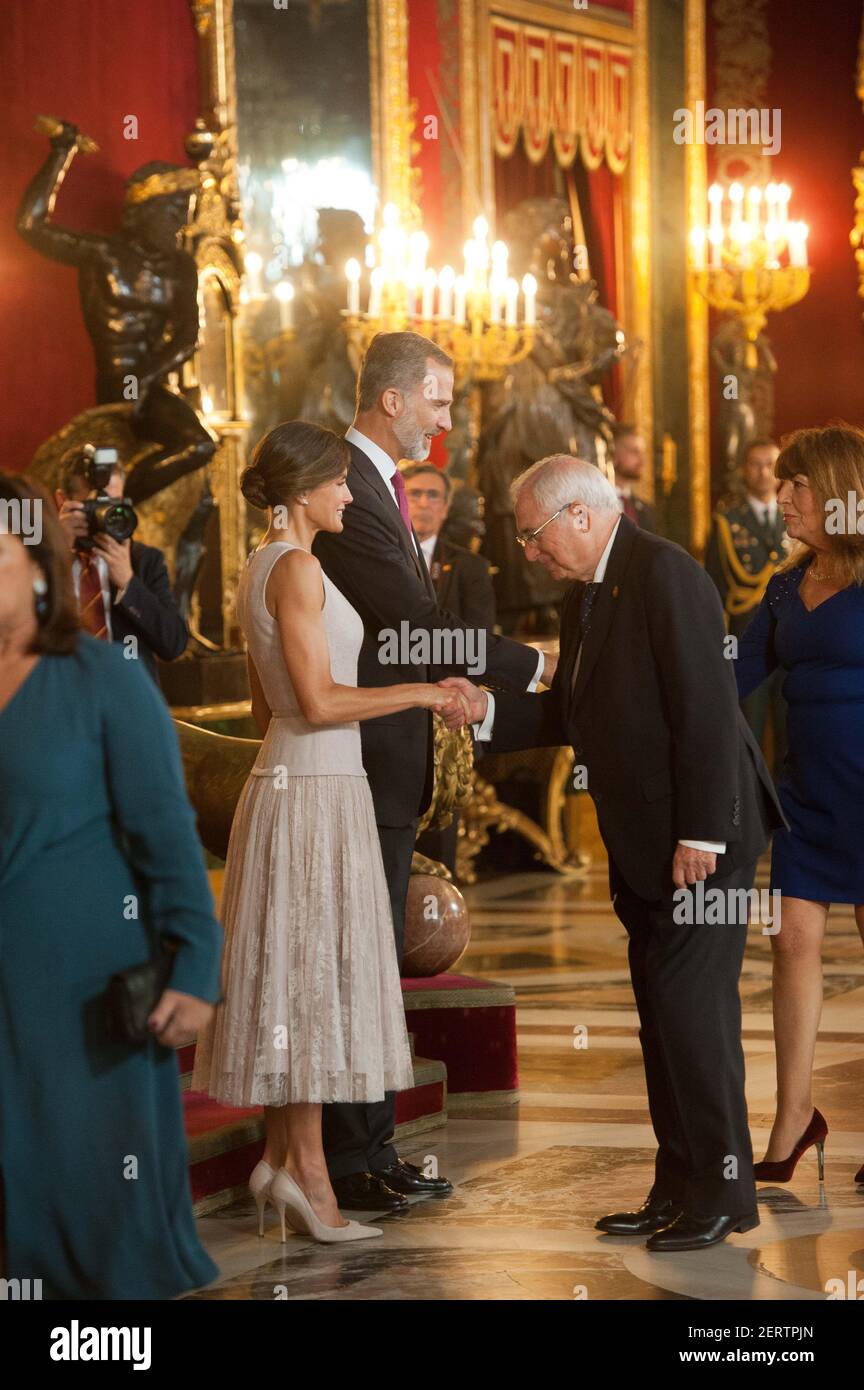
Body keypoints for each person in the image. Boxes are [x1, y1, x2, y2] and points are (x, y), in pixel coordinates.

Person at [442, 454, 785, 1252]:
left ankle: (722, 1193)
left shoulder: (665, 574)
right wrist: (485, 712)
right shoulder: (589, 591)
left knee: (693, 1018)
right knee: (666, 1022)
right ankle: (680, 1188)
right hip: (648, 844)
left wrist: (700, 834)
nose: (528, 551)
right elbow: (576, 708)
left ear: (581, 516)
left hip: (702, 841)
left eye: (533, 534)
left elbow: (705, 710)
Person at [192, 422, 469, 1242]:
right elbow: (315, 701)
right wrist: (421, 693)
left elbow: (263, 707)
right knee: (311, 978)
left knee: (295, 971)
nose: (351, 494)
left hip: (294, 778)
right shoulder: (303, 568)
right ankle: (311, 1179)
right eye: (341, 483)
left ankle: (283, 1159)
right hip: (315, 785)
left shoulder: (262, 567)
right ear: (304, 491)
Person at [313, 331, 554, 1211]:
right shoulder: (350, 486)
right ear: (393, 400)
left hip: (385, 761)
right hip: (358, 763)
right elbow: (411, 623)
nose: (447, 422)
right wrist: (530, 665)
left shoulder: (370, 486)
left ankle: (369, 1153)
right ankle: (351, 1160)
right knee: (359, 965)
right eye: (441, 402)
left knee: (374, 965)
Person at [0, 472, 221, 1300]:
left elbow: (168, 835)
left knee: (99, 1237)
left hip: (85, 1006)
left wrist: (197, 967)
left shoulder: (101, 678)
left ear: (39, 565)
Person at [735, 424, 864, 1187]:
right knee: (790, 943)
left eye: (798, 486)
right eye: (780, 485)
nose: (782, 498)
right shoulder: (786, 585)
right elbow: (732, 671)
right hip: (807, 796)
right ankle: (794, 1117)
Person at [55, 446, 188, 685]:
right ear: (63, 502)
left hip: (129, 706)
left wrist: (129, 583)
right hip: (64, 701)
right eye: (95, 505)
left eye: (114, 503)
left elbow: (174, 644)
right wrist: (56, 551)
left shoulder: (145, 561)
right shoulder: (42, 562)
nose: (107, 514)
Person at [705, 438, 788, 776]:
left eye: (770, 464)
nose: (763, 472)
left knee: (791, 734)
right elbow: (715, 590)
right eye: (755, 464)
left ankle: (787, 816)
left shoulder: (794, 517)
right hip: (745, 640)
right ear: (744, 469)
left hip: (790, 640)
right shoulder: (727, 522)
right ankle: (750, 818)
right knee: (746, 732)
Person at [402, 462, 497, 630]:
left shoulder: (472, 566)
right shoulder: (376, 557)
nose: (424, 503)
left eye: (433, 495)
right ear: (398, 502)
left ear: (445, 508)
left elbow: (480, 639)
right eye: (415, 494)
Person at [612, 422, 656, 532]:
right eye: (634, 452)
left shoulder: (646, 511)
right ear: (614, 454)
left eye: (642, 453)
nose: (642, 461)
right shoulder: (594, 506)